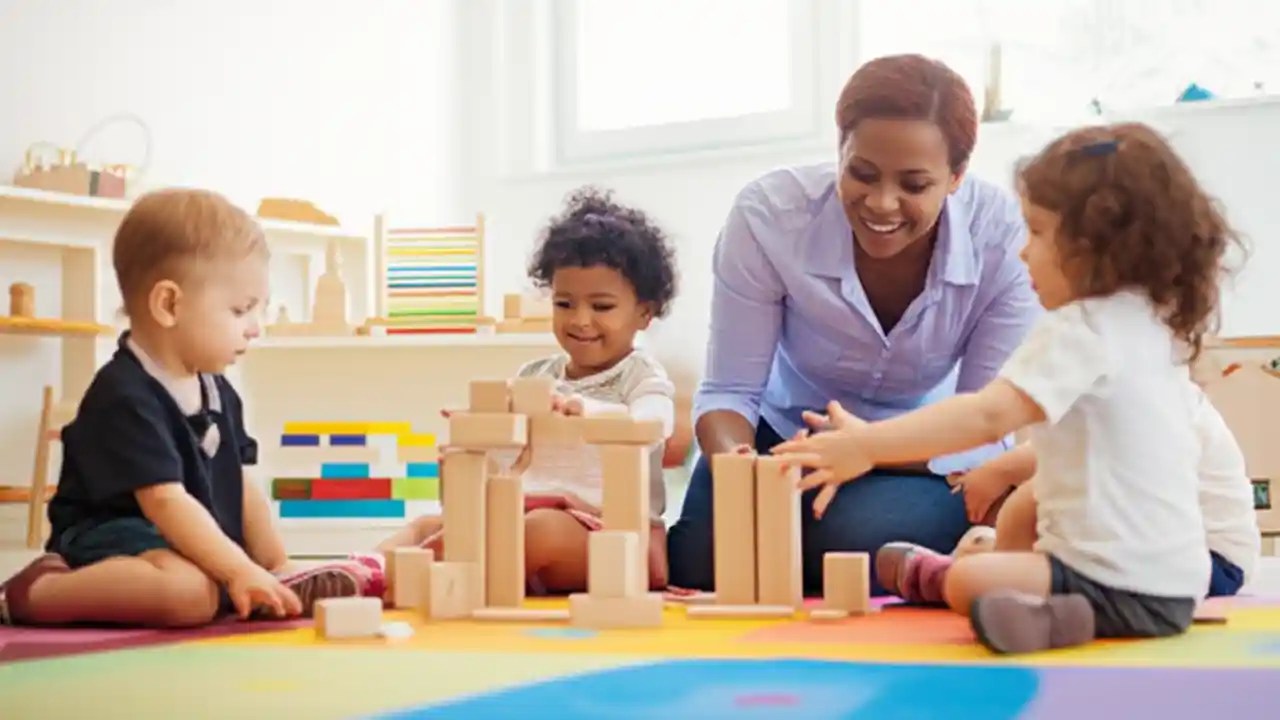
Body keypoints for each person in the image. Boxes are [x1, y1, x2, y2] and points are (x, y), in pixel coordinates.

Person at [772, 121, 1245, 654]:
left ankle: (1006, 597)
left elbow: (985, 416)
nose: (1023, 254)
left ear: (1092, 246)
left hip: (1106, 581)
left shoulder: (1081, 329)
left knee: (965, 581)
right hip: (1177, 592)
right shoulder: (1155, 326)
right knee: (1022, 506)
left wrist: (866, 444)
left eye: (1037, 233)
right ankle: (1047, 609)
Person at [667, 53, 1040, 594]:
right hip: (784, 437)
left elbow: (984, 426)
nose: (882, 203)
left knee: (857, 536)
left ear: (956, 177)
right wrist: (740, 468)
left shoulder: (1005, 240)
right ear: (839, 150)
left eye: (914, 185)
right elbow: (729, 389)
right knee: (702, 560)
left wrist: (869, 450)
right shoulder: (768, 216)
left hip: (921, 453)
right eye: (861, 173)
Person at [0, 189, 374, 628]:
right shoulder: (124, 394)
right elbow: (163, 501)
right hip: (112, 534)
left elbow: (238, 480)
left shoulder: (216, 388)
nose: (255, 328)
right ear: (169, 305)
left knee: (213, 583)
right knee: (190, 595)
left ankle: (235, 574)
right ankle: (37, 593)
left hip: (175, 537)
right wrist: (237, 569)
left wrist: (274, 564)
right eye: (240, 310)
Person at [377, 187, 678, 593]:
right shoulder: (536, 374)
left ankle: (421, 581)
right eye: (564, 304)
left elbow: (654, 424)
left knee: (535, 531)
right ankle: (365, 573)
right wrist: (484, 429)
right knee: (430, 524)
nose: (581, 320)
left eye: (602, 307)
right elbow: (513, 459)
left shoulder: (640, 376)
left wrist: (584, 410)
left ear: (644, 312)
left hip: (615, 535)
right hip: (523, 517)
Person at [950, 380, 1259, 597]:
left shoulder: (1149, 397)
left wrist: (998, 472)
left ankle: (1008, 580)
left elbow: (1043, 479)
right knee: (979, 554)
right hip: (1156, 553)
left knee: (976, 571)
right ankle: (1006, 571)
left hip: (1208, 561)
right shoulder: (1116, 390)